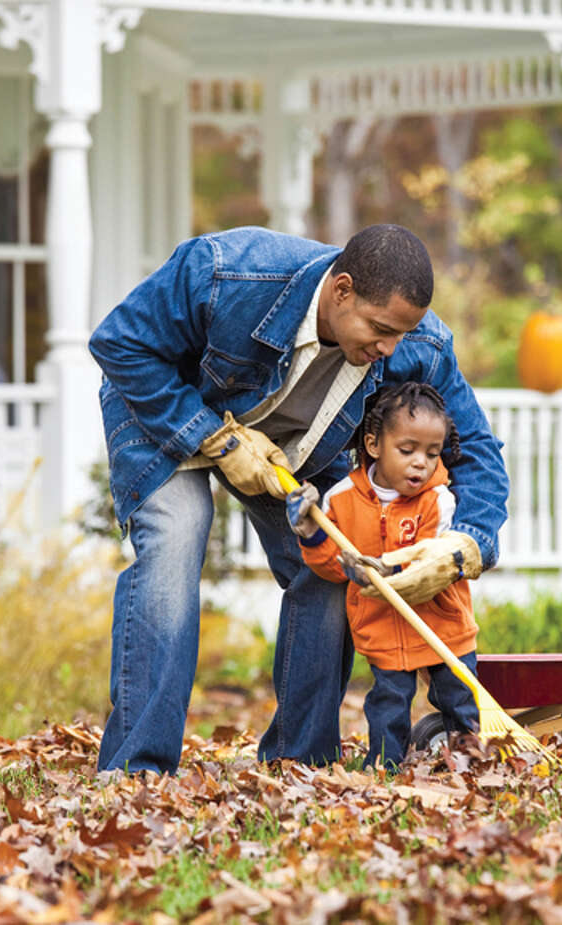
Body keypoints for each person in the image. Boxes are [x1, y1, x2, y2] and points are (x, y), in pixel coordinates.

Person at [87, 224, 509, 774]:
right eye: (380, 329)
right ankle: (136, 769)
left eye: (400, 335)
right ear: (341, 290)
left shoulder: (420, 344)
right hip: (166, 412)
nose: (389, 349)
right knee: (177, 536)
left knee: (336, 566)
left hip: (297, 449)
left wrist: (464, 547)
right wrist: (212, 436)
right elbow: (119, 342)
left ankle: (298, 761)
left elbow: (475, 446)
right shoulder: (224, 271)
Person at [284, 382, 480, 769]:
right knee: (388, 704)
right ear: (373, 445)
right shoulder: (340, 499)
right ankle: (385, 766)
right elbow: (329, 566)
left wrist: (384, 567)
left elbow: (425, 560)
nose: (420, 462)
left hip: (442, 625)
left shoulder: (438, 499)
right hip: (383, 629)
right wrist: (310, 532)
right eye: (407, 450)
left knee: (459, 698)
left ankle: (472, 760)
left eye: (432, 453)